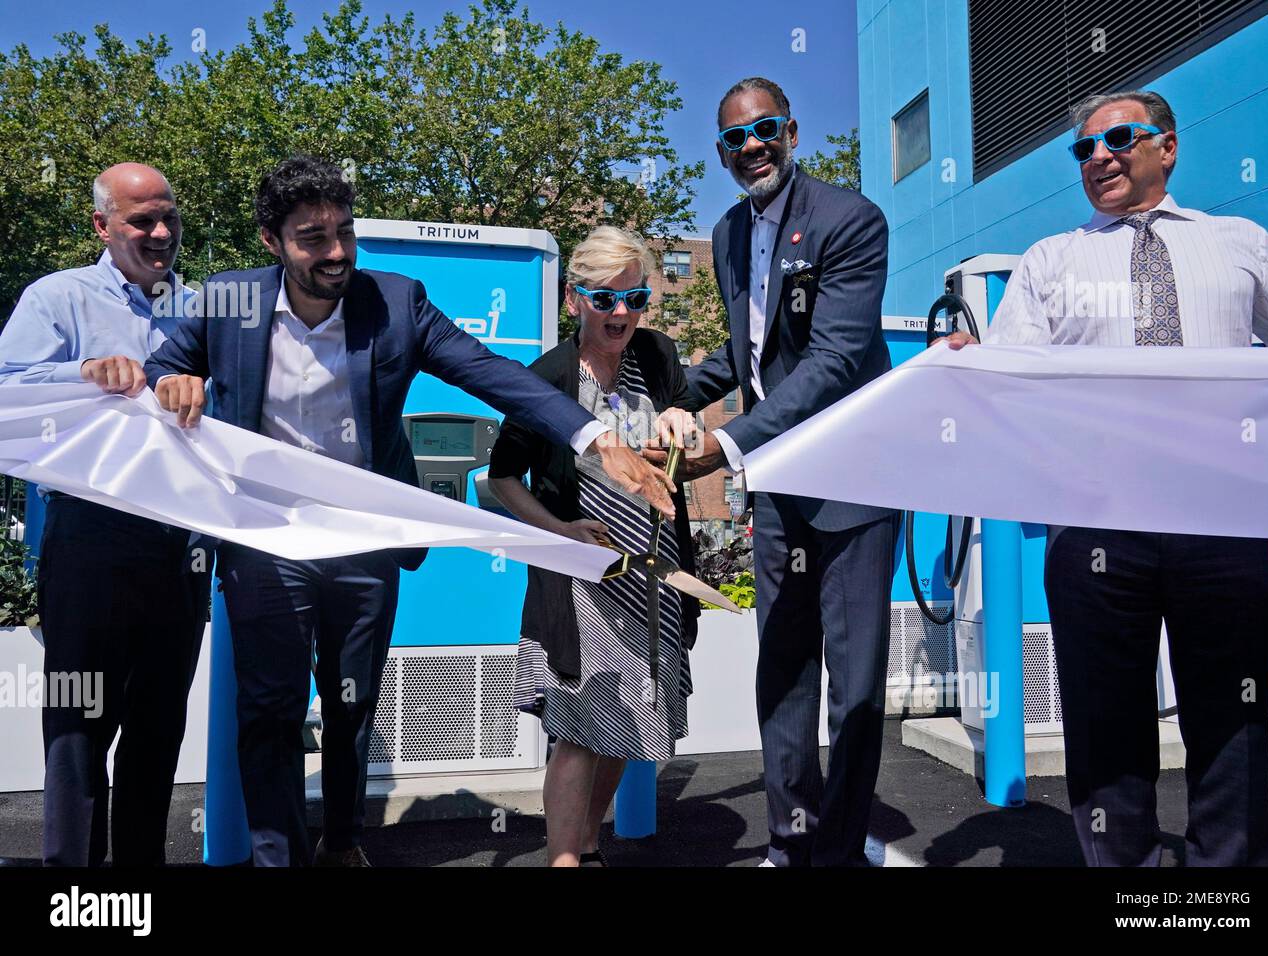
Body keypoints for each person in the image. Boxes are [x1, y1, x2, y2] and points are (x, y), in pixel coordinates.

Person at [142, 156, 675, 867]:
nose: (336, 252)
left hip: (363, 540)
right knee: (267, 711)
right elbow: (163, 366)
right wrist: (171, 379)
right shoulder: (226, 302)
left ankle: (345, 842)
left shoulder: (395, 303)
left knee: (351, 705)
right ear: (272, 241)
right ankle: (276, 858)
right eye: (312, 238)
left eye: (344, 232)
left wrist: (596, 436)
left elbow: (494, 374)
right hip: (264, 540)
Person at [940, 90, 1268, 865]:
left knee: (1233, 726)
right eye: (1084, 150)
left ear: (1166, 147)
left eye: (1120, 140)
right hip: (1097, 526)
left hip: (1225, 520)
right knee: (1106, 729)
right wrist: (979, 365)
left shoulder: (1243, 244)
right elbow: (1012, 376)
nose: (1099, 157)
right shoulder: (1051, 261)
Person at [649, 77, 899, 866]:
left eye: (764, 129)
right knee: (783, 671)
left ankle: (840, 850)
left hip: (853, 484)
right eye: (734, 138)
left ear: (792, 130)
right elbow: (747, 354)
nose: (751, 146)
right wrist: (670, 397)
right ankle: (790, 842)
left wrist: (724, 446)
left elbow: (834, 359)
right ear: (721, 154)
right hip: (780, 488)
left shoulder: (850, 220)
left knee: (852, 684)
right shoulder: (726, 232)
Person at [0, 163, 211, 866]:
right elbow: (6, 392)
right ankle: (75, 895)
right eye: (141, 220)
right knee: (76, 734)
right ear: (102, 225)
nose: (159, 233)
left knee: (158, 733)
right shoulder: (56, 299)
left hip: (178, 544)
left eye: (169, 218)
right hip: (89, 538)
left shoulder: (201, 307)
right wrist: (82, 372)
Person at [488, 226, 700, 867]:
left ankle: (589, 843)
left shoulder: (659, 357)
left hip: (652, 575)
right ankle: (563, 860)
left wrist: (682, 422)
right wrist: (561, 532)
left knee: (628, 728)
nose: (622, 315)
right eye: (605, 299)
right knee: (580, 729)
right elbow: (501, 477)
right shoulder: (548, 376)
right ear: (574, 299)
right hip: (581, 576)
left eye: (635, 298)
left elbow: (683, 432)